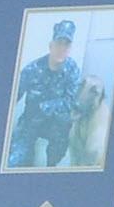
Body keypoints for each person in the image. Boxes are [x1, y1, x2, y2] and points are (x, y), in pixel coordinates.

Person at [8, 14, 100, 170]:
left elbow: (71, 100)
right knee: (15, 161)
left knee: (57, 152)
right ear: (51, 45)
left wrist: (46, 107)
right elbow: (12, 98)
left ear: (70, 49)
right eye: (59, 43)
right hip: (31, 121)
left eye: (66, 45)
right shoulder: (32, 69)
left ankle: (51, 165)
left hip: (55, 123)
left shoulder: (72, 69)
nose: (61, 49)